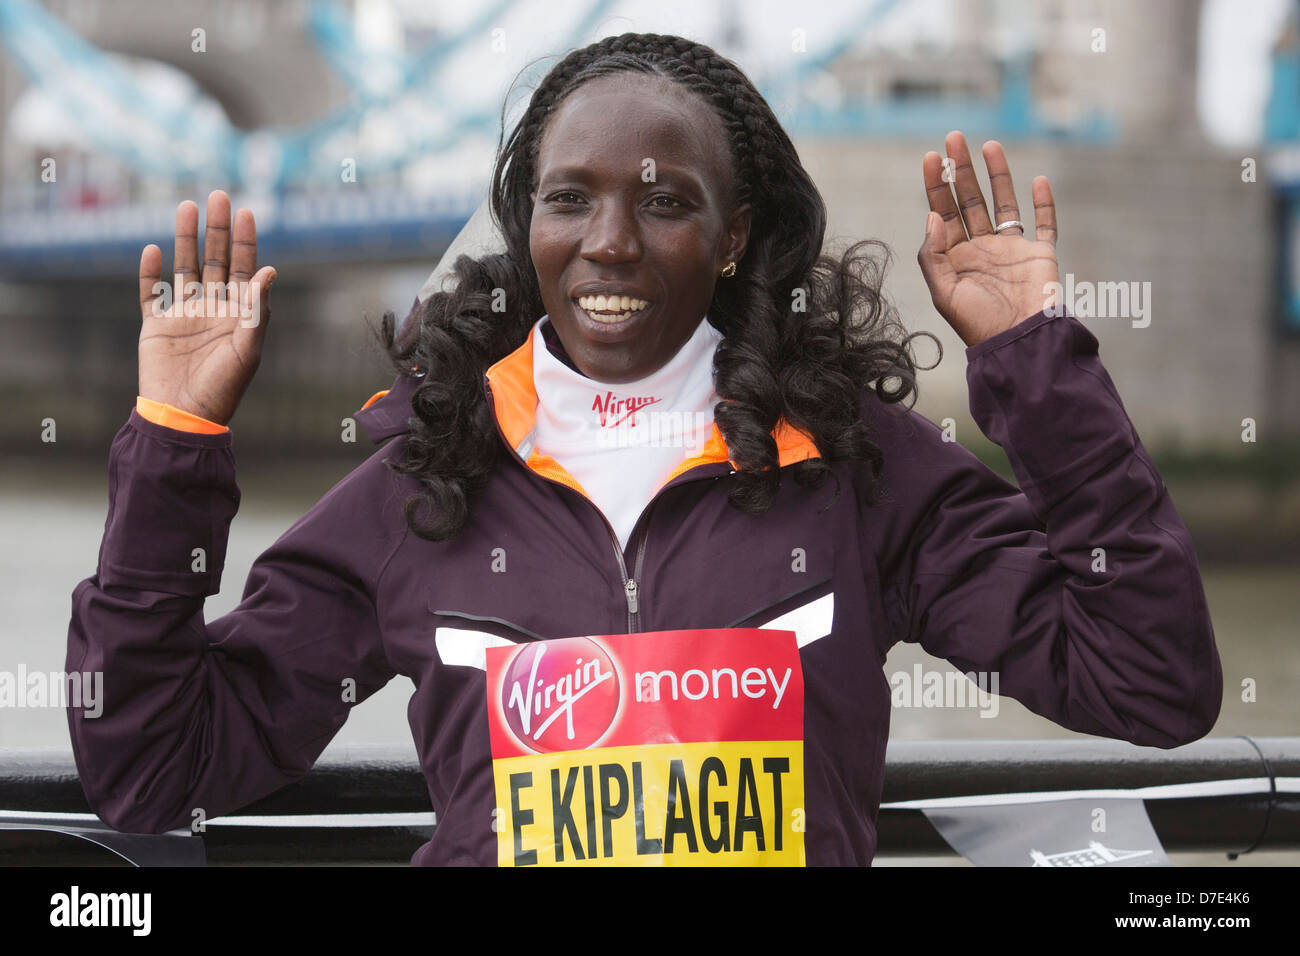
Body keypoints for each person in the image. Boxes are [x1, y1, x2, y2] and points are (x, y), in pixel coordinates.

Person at [66, 32, 1222, 866]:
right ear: (528, 225)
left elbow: (1151, 679)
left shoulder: (856, 470)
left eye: (663, 202)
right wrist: (174, 440)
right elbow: (156, 765)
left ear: (734, 235)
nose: (608, 243)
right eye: (569, 198)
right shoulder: (423, 481)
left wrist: (1033, 364)